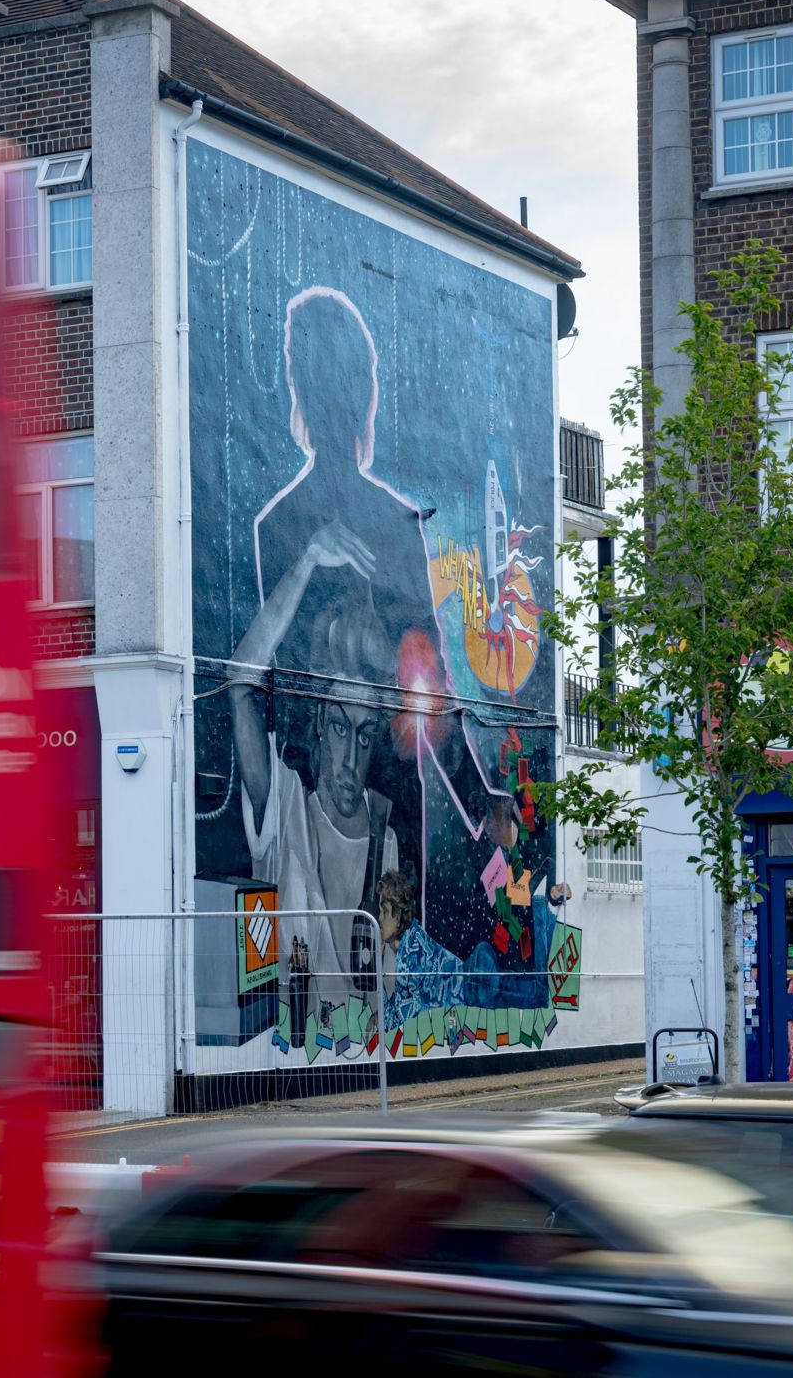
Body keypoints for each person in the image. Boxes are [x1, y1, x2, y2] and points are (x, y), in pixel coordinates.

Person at [253, 287, 517, 880]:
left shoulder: (277, 526)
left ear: (300, 389)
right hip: (384, 810)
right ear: (364, 392)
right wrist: (479, 798)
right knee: (376, 959)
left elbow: (277, 688)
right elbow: (427, 688)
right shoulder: (393, 522)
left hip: (311, 800)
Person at [231, 519, 398, 1015]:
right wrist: (304, 562)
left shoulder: (385, 835)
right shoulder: (282, 808)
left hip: (368, 1062)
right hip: (291, 1052)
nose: (351, 760)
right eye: (342, 728)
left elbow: (392, 971)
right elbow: (240, 684)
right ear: (321, 725)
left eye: (365, 735)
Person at [377, 869, 571, 1029]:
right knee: (536, 989)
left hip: (476, 987)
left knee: (538, 995)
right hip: (477, 971)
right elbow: (405, 1001)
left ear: (399, 913)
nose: (378, 918)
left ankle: (540, 904)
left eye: (384, 911)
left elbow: (395, 1021)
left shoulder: (408, 956)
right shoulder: (414, 936)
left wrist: (377, 962)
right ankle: (547, 905)